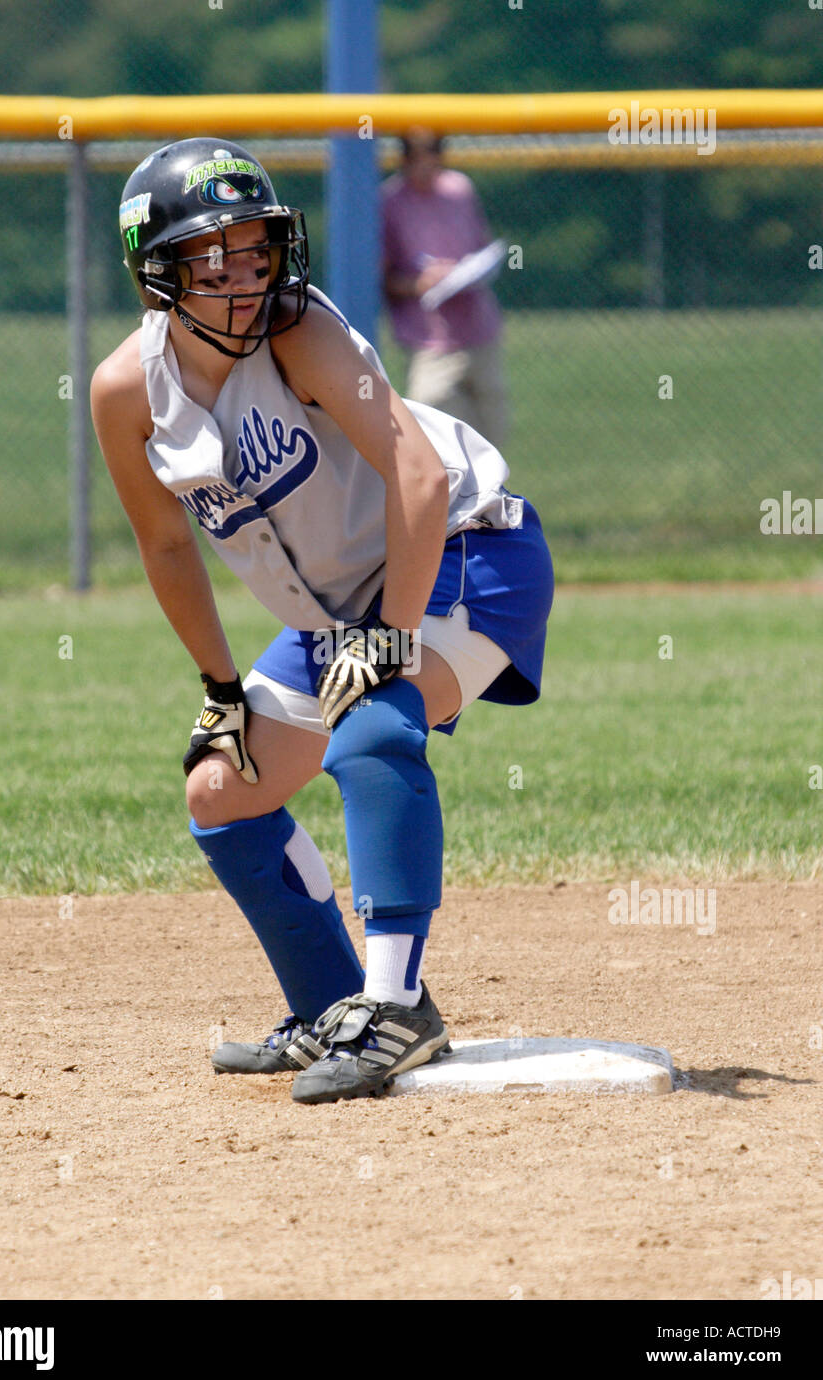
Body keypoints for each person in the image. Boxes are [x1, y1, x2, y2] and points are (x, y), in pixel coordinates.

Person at [91, 137, 553, 1105]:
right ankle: (331, 1006)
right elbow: (167, 547)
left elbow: (419, 477)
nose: (242, 274)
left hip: (469, 551)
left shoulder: (301, 331)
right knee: (224, 788)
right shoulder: (125, 390)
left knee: (374, 725)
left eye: (254, 246)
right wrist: (221, 687)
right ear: (154, 273)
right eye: (208, 258)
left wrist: (387, 633)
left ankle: (398, 1008)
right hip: (335, 610)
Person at [382, 127, 508, 449]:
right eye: (417, 156)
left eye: (433, 154)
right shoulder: (389, 202)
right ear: (404, 159)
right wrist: (419, 283)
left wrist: (469, 270)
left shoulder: (459, 189)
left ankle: (491, 498)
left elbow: (481, 246)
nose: (426, 165)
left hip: (478, 328)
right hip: (430, 337)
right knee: (431, 419)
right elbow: (382, 279)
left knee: (491, 431)